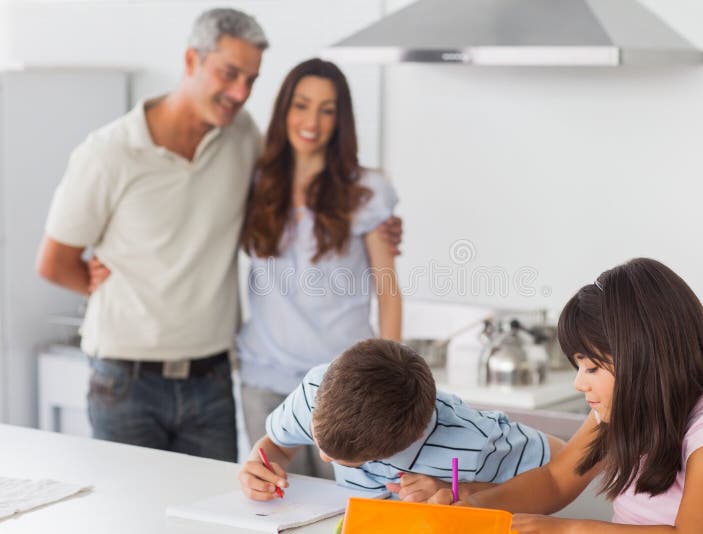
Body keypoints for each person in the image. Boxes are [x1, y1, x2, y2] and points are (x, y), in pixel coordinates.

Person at [36, 9, 402, 460]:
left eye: (250, 80)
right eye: (229, 74)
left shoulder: (241, 141)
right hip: (127, 380)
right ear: (191, 60)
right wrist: (102, 286)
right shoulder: (109, 153)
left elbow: (321, 192)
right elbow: (53, 262)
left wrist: (380, 221)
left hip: (211, 380)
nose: (239, 92)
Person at [430, 258, 703, 534]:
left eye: (592, 368)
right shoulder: (621, 410)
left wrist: (566, 530)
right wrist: (477, 507)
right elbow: (554, 480)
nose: (580, 383)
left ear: (644, 359)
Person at [236, 59, 401, 476]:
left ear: (340, 120)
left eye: (327, 110)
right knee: (276, 508)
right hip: (264, 379)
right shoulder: (253, 183)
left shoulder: (366, 191)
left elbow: (388, 289)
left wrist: (391, 379)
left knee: (349, 511)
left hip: (344, 387)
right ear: (283, 111)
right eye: (302, 105)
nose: (312, 121)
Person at [237, 338, 564, 502]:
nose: (323, 458)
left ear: (413, 439)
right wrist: (259, 464)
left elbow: (559, 467)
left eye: (348, 462)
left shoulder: (471, 438)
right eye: (317, 439)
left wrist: (457, 490)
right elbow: (276, 446)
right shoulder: (312, 393)